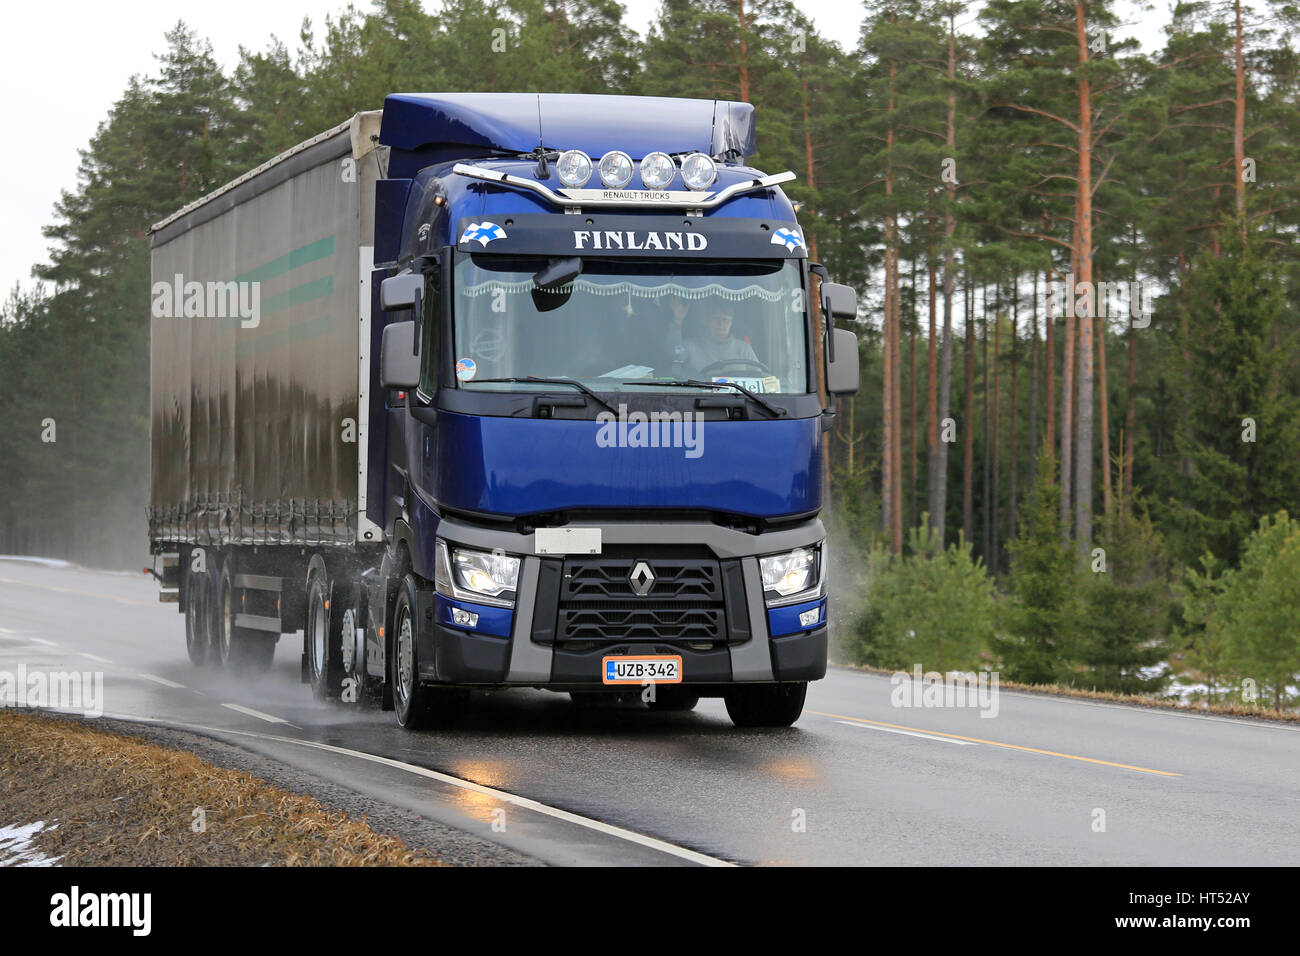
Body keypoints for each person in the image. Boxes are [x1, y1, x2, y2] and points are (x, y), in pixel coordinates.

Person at [666, 296, 759, 377]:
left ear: (731, 323)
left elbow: (759, 376)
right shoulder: (691, 346)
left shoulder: (744, 349)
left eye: (726, 320)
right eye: (717, 318)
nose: (721, 324)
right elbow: (674, 355)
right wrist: (677, 322)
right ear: (706, 321)